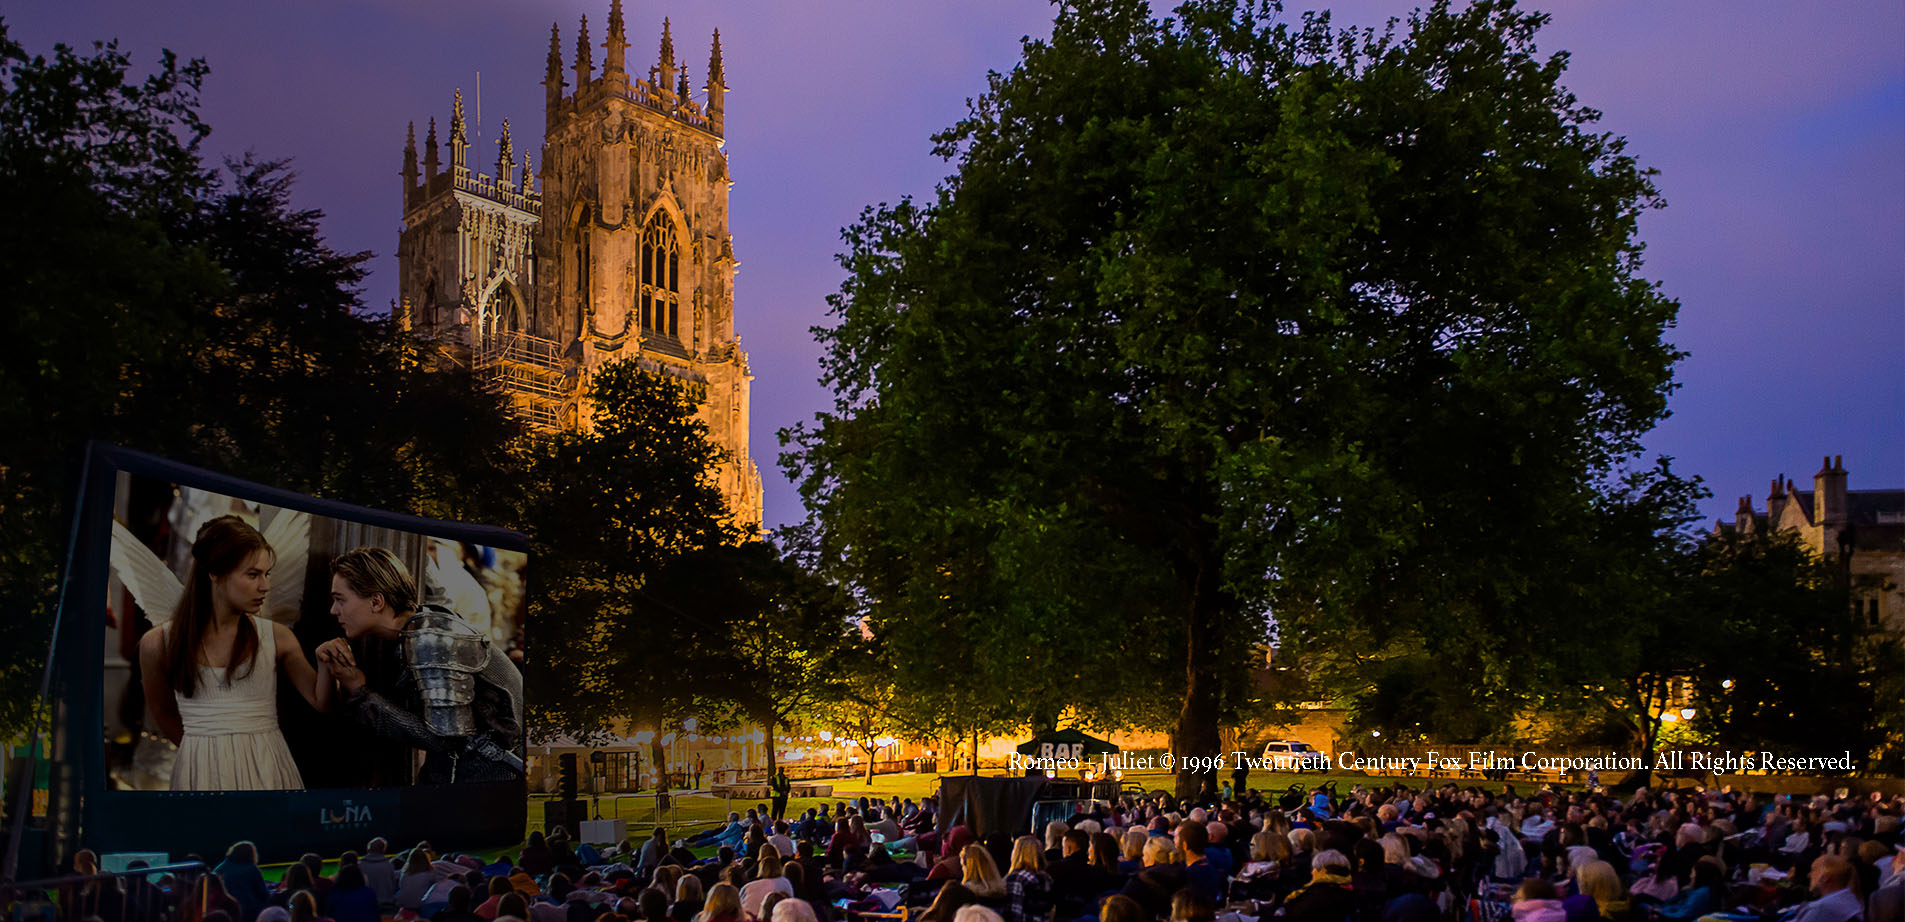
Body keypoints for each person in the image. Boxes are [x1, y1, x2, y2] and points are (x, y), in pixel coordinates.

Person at [138, 516, 331, 791]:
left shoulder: (277, 637)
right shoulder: (158, 643)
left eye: (267, 574)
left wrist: (328, 663)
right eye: (253, 575)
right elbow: (163, 711)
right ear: (214, 573)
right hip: (199, 774)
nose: (265, 586)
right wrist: (205, 750)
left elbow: (322, 701)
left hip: (268, 769)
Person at [316, 547, 525, 783]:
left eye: (340, 600)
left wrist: (360, 692)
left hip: (491, 778)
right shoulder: (418, 629)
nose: (334, 610)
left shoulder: (432, 640)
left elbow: (443, 738)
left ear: (376, 601)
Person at [1791, 855, 1864, 922]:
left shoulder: (1820, 909)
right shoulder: (1851, 899)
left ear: (1825, 877)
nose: (1809, 875)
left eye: (1813, 870)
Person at [216, 841, 272, 922]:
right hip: (250, 912)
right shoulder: (251, 869)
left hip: (227, 912)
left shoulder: (219, 869)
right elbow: (263, 894)